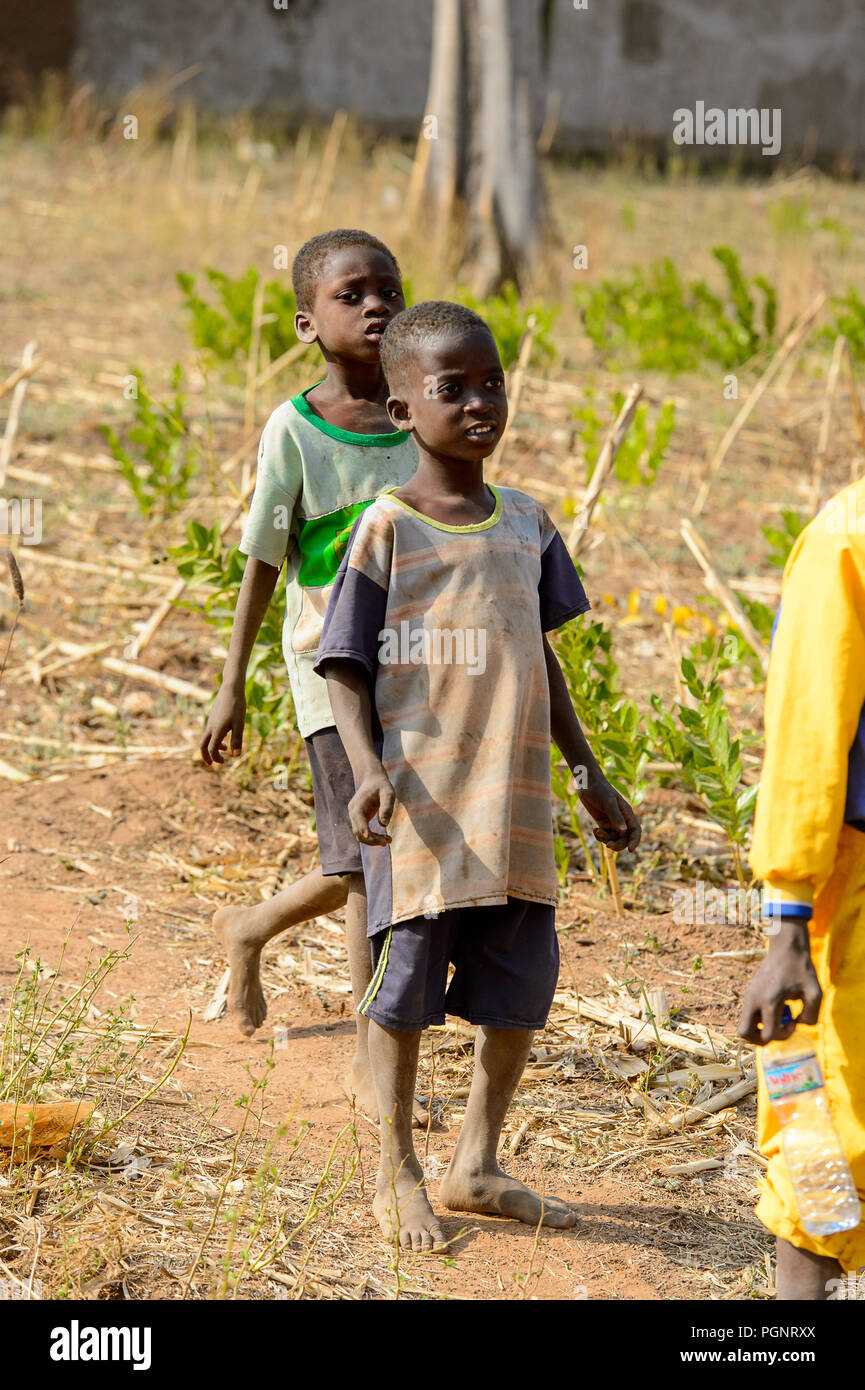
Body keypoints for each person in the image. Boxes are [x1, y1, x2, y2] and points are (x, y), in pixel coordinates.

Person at [314, 301, 641, 1250]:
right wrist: (365, 771)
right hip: (419, 808)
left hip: (514, 804)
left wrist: (588, 772)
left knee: (518, 986)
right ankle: (396, 1169)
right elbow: (343, 666)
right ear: (402, 409)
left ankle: (476, 1162)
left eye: (490, 382)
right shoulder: (386, 528)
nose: (477, 403)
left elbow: (542, 656)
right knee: (403, 988)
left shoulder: (528, 523)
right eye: (450, 390)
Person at [200, 229, 421, 1124]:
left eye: (389, 292)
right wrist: (231, 683)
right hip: (326, 671)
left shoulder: (421, 414)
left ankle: (249, 926)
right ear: (306, 322)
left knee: (388, 847)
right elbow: (261, 560)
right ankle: (372, 1060)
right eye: (351, 294)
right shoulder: (293, 430)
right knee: (372, 861)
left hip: (420, 664)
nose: (376, 307)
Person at [738, 475, 865, 1298]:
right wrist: (787, 922)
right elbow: (809, 733)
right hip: (846, 887)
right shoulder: (844, 539)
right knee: (819, 1129)